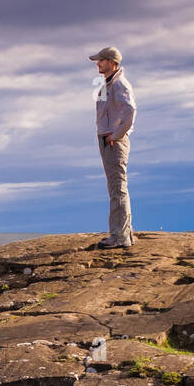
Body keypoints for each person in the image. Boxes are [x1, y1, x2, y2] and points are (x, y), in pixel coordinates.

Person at [89, 46, 136, 248]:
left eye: (101, 60)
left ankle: (120, 237)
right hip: (108, 139)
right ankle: (125, 234)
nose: (98, 64)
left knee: (117, 188)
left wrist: (116, 135)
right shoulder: (108, 83)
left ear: (112, 62)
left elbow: (130, 111)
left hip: (113, 142)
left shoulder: (119, 85)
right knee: (116, 188)